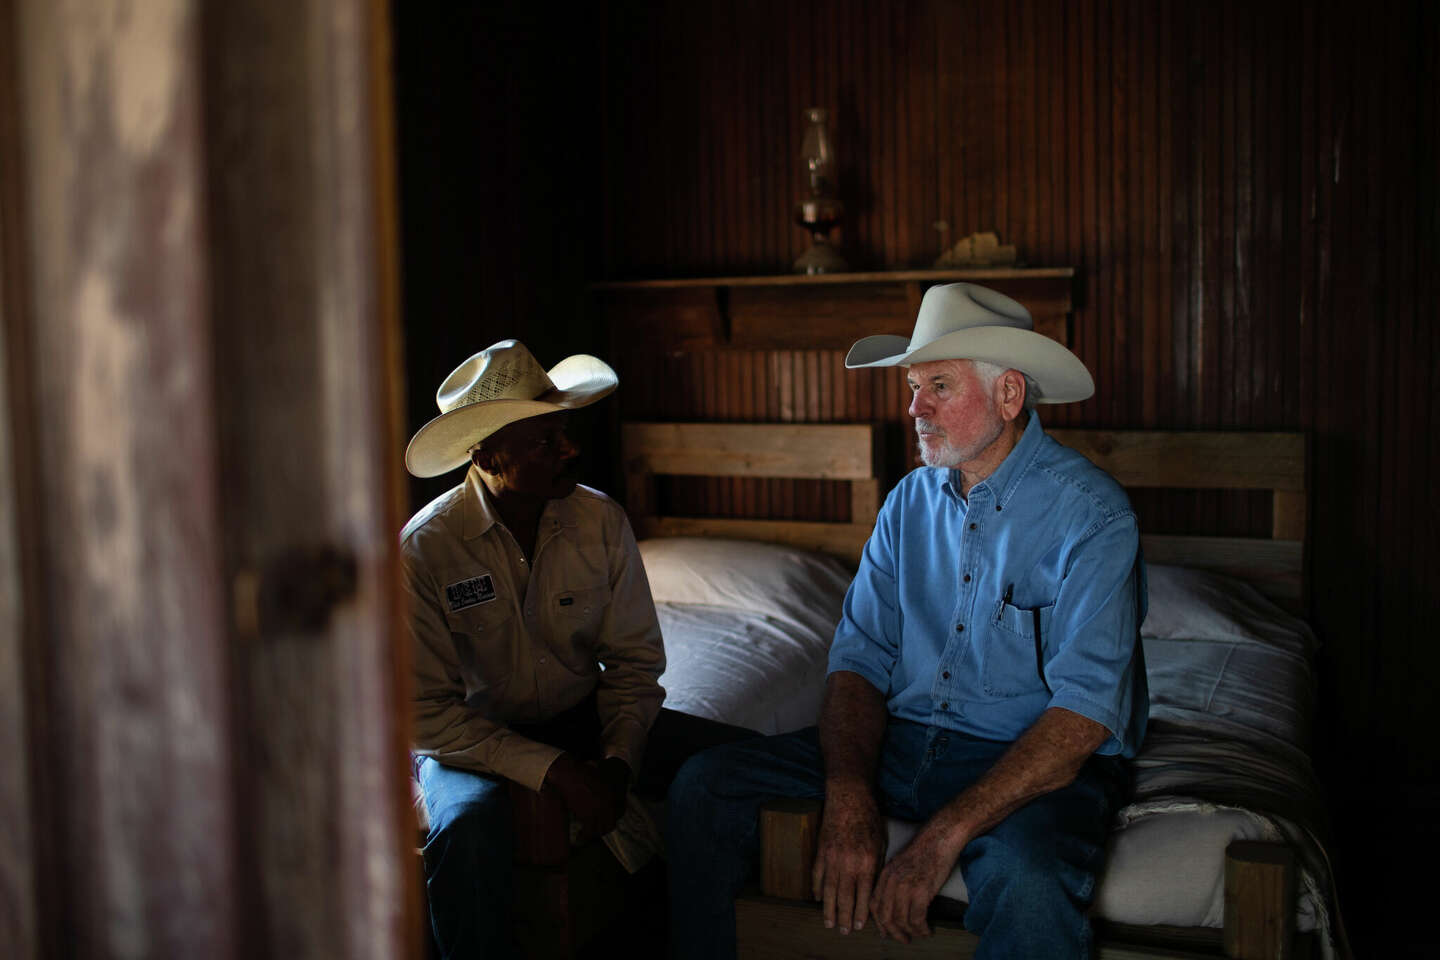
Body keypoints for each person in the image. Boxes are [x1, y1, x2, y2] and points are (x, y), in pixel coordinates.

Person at [666, 283, 1148, 960]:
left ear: (1009, 396)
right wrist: (849, 794)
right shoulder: (906, 503)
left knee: (1029, 880)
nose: (914, 408)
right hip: (899, 744)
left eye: (939, 386)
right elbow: (857, 662)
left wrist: (940, 837)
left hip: (1024, 761)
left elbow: (1084, 716)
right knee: (705, 786)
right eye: (913, 386)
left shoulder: (1092, 514)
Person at [401, 339, 752, 959]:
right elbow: (425, 715)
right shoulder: (425, 550)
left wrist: (617, 760)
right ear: (486, 455)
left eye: (563, 430)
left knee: (741, 768)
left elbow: (635, 665)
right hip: (471, 742)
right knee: (465, 828)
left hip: (580, 715)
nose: (571, 450)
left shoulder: (600, 521)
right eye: (544, 441)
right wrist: (555, 771)